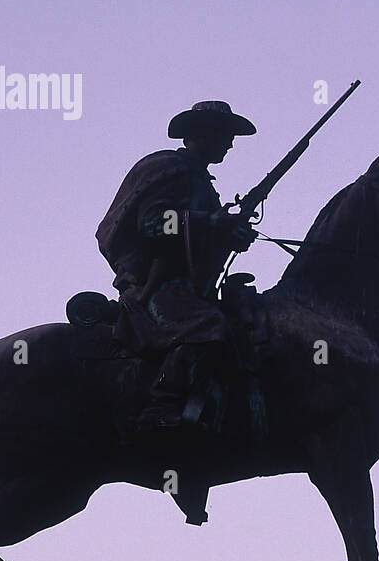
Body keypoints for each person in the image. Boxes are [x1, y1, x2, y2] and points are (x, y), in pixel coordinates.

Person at [96, 100, 259, 435]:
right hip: (154, 283)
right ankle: (163, 405)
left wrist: (230, 233)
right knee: (207, 326)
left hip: (188, 284)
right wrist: (213, 221)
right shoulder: (171, 169)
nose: (230, 143)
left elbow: (199, 241)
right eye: (225, 135)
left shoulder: (199, 179)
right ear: (202, 134)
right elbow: (155, 224)